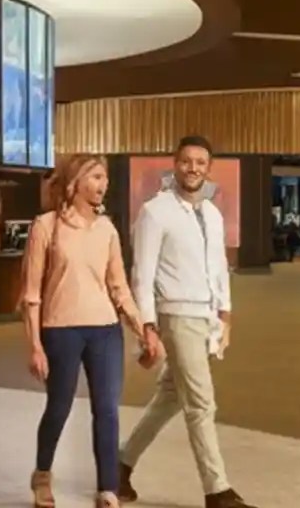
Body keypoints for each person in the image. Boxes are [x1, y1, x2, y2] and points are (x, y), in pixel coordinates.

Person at [119, 135, 257, 508]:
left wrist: (226, 314)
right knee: (201, 402)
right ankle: (217, 491)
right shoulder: (155, 211)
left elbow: (219, 269)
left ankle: (120, 465)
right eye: (186, 161)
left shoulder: (212, 214)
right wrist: (147, 327)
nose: (193, 168)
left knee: (170, 397)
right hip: (176, 316)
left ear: (208, 168)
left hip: (207, 318)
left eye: (200, 162)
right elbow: (141, 275)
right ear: (174, 164)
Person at [20, 155, 148, 508]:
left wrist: (142, 328)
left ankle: (108, 488)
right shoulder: (45, 227)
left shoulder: (107, 229)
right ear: (75, 183)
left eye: (104, 178)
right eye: (95, 177)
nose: (102, 184)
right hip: (60, 331)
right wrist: (35, 346)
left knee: (107, 409)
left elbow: (119, 287)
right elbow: (31, 295)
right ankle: (42, 475)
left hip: (105, 330)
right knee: (58, 407)